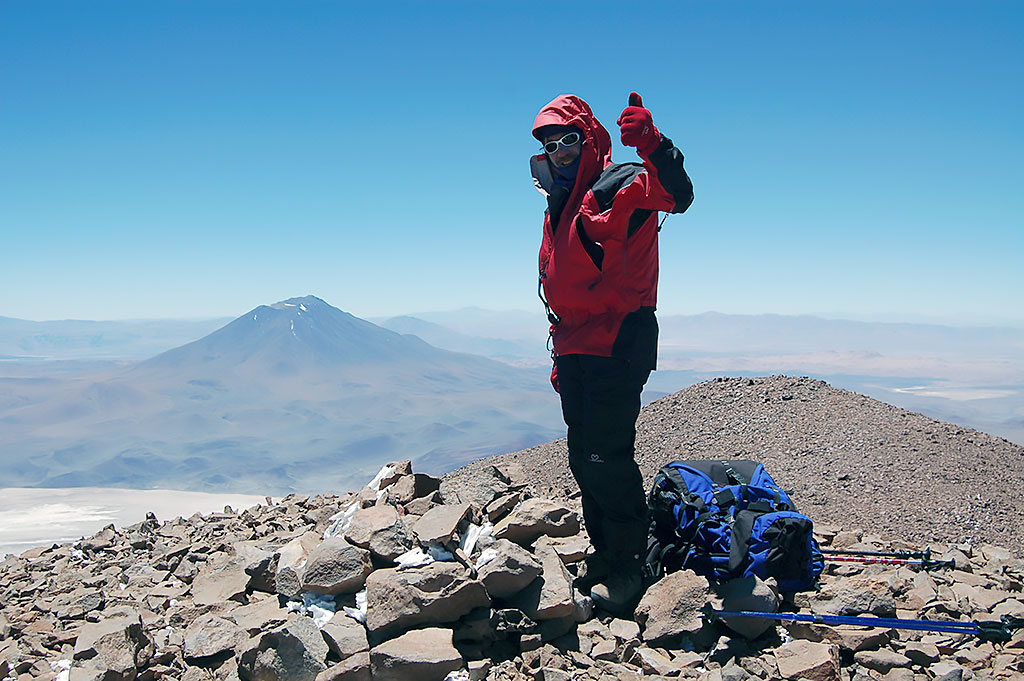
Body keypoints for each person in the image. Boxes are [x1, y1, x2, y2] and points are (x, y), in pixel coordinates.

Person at [531, 92, 693, 612]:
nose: (560, 152)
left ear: (589, 139)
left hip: (618, 342)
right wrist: (562, 357)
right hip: (576, 347)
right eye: (550, 146)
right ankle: (607, 554)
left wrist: (653, 144)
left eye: (568, 140)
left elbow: (678, 195)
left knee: (606, 460)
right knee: (585, 459)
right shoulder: (559, 204)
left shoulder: (621, 183)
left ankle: (632, 567)